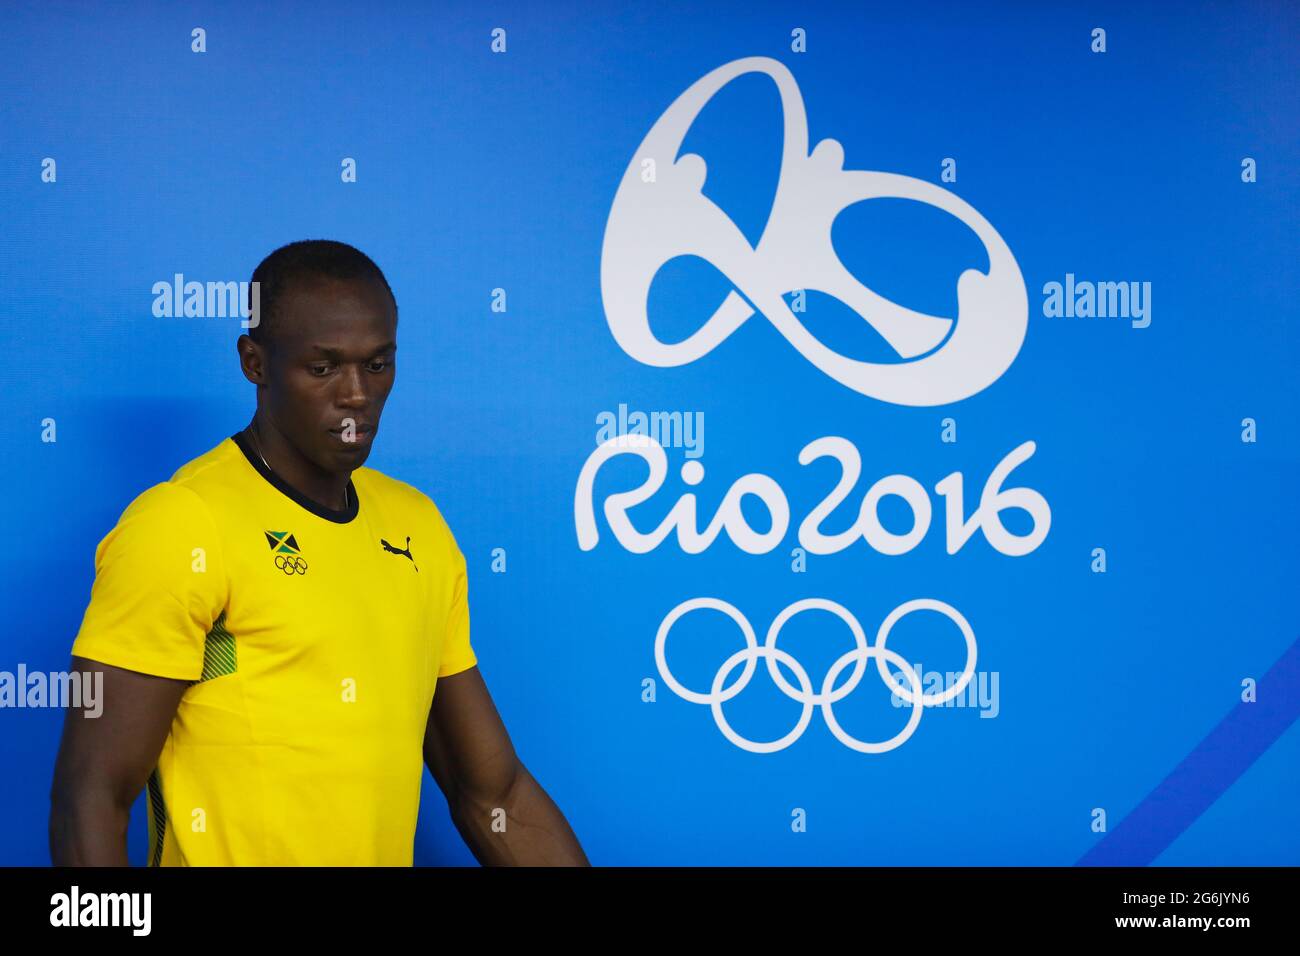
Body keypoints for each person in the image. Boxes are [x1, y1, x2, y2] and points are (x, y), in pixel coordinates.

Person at [49, 239, 588, 866]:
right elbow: (89, 801)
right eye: (324, 368)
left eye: (378, 364)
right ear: (255, 362)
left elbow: (495, 796)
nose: (357, 394)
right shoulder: (182, 524)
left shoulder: (417, 529)